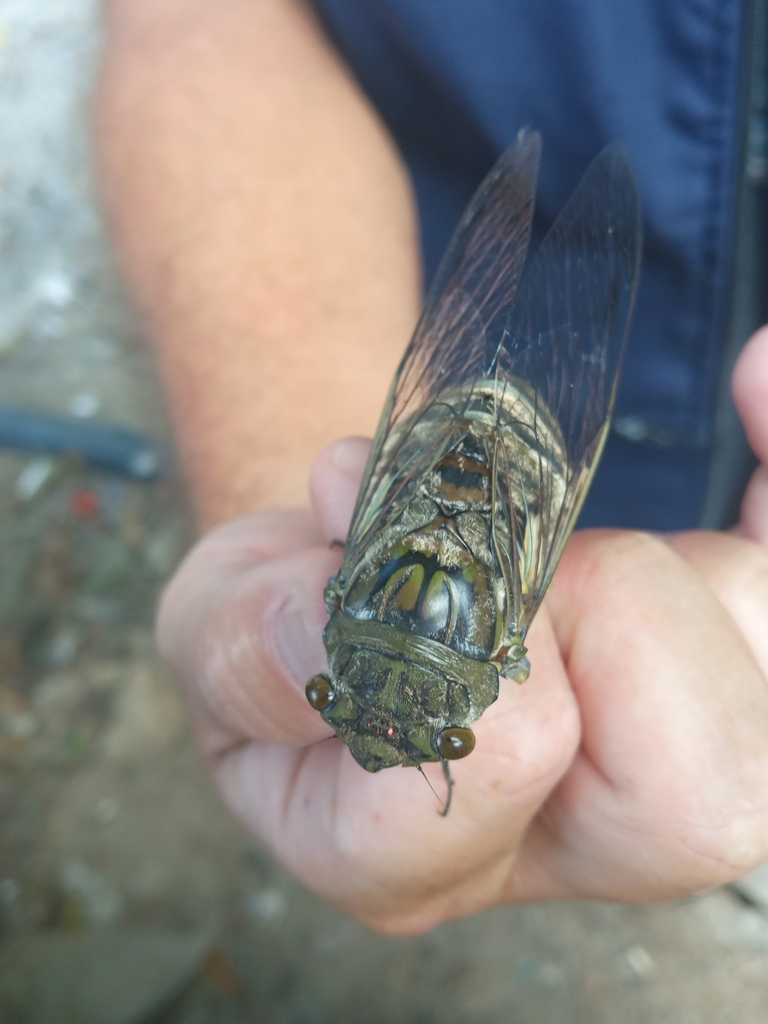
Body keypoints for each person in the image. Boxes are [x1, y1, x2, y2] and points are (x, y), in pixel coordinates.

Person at [94, 0, 768, 934]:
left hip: (468, 416)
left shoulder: (481, 653)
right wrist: (272, 515)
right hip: (521, 421)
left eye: (325, 688)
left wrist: (287, 518)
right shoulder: (368, 618)